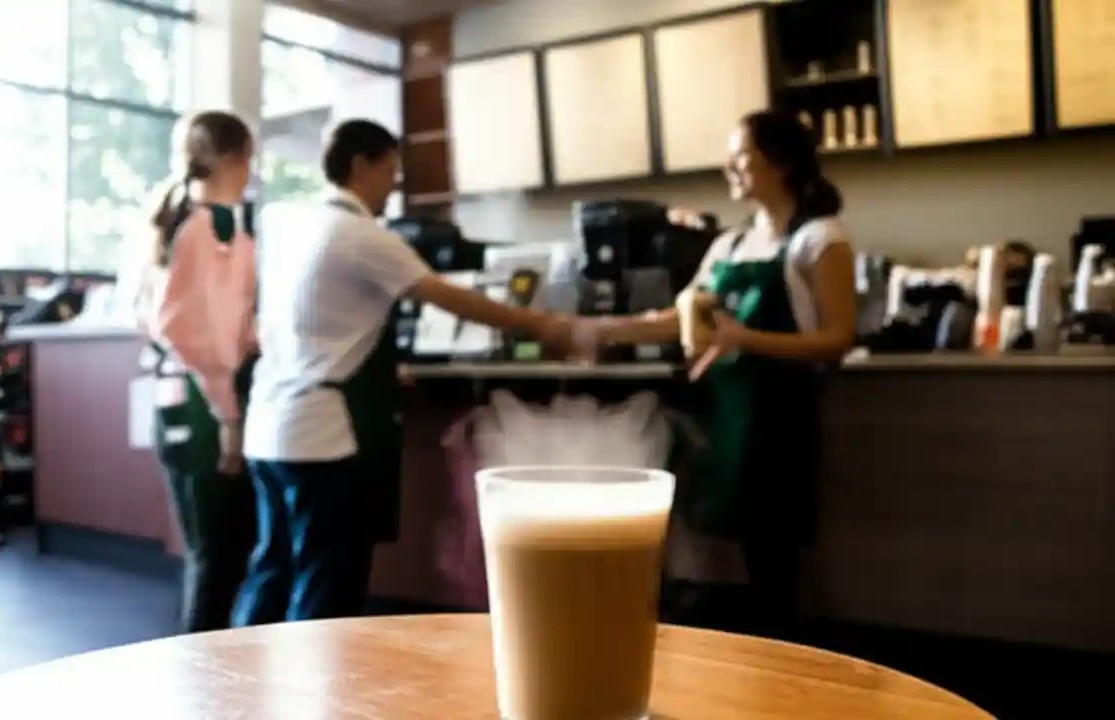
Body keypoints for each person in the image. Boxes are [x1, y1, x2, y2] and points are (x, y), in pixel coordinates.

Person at [232, 119, 575, 625]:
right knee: (325, 580)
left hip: (267, 429)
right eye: (389, 170)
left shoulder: (291, 225)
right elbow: (449, 297)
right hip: (322, 437)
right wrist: (544, 326)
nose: (394, 185)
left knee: (272, 567)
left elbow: (317, 322)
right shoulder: (359, 234)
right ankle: (315, 700)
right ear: (360, 166)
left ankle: (236, 689)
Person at [595, 109, 857, 637]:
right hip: (726, 413)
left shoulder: (820, 239)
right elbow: (681, 318)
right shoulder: (730, 244)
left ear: (779, 163)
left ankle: (783, 677)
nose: (728, 166)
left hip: (779, 416)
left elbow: (836, 339)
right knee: (718, 543)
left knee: (771, 554)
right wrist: (601, 332)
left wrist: (747, 339)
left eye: (741, 155)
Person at [135, 110, 259, 633]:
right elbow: (198, 333)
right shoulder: (211, 228)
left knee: (214, 555)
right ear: (236, 158)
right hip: (205, 408)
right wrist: (229, 419)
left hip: (179, 404)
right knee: (219, 557)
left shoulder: (174, 220)